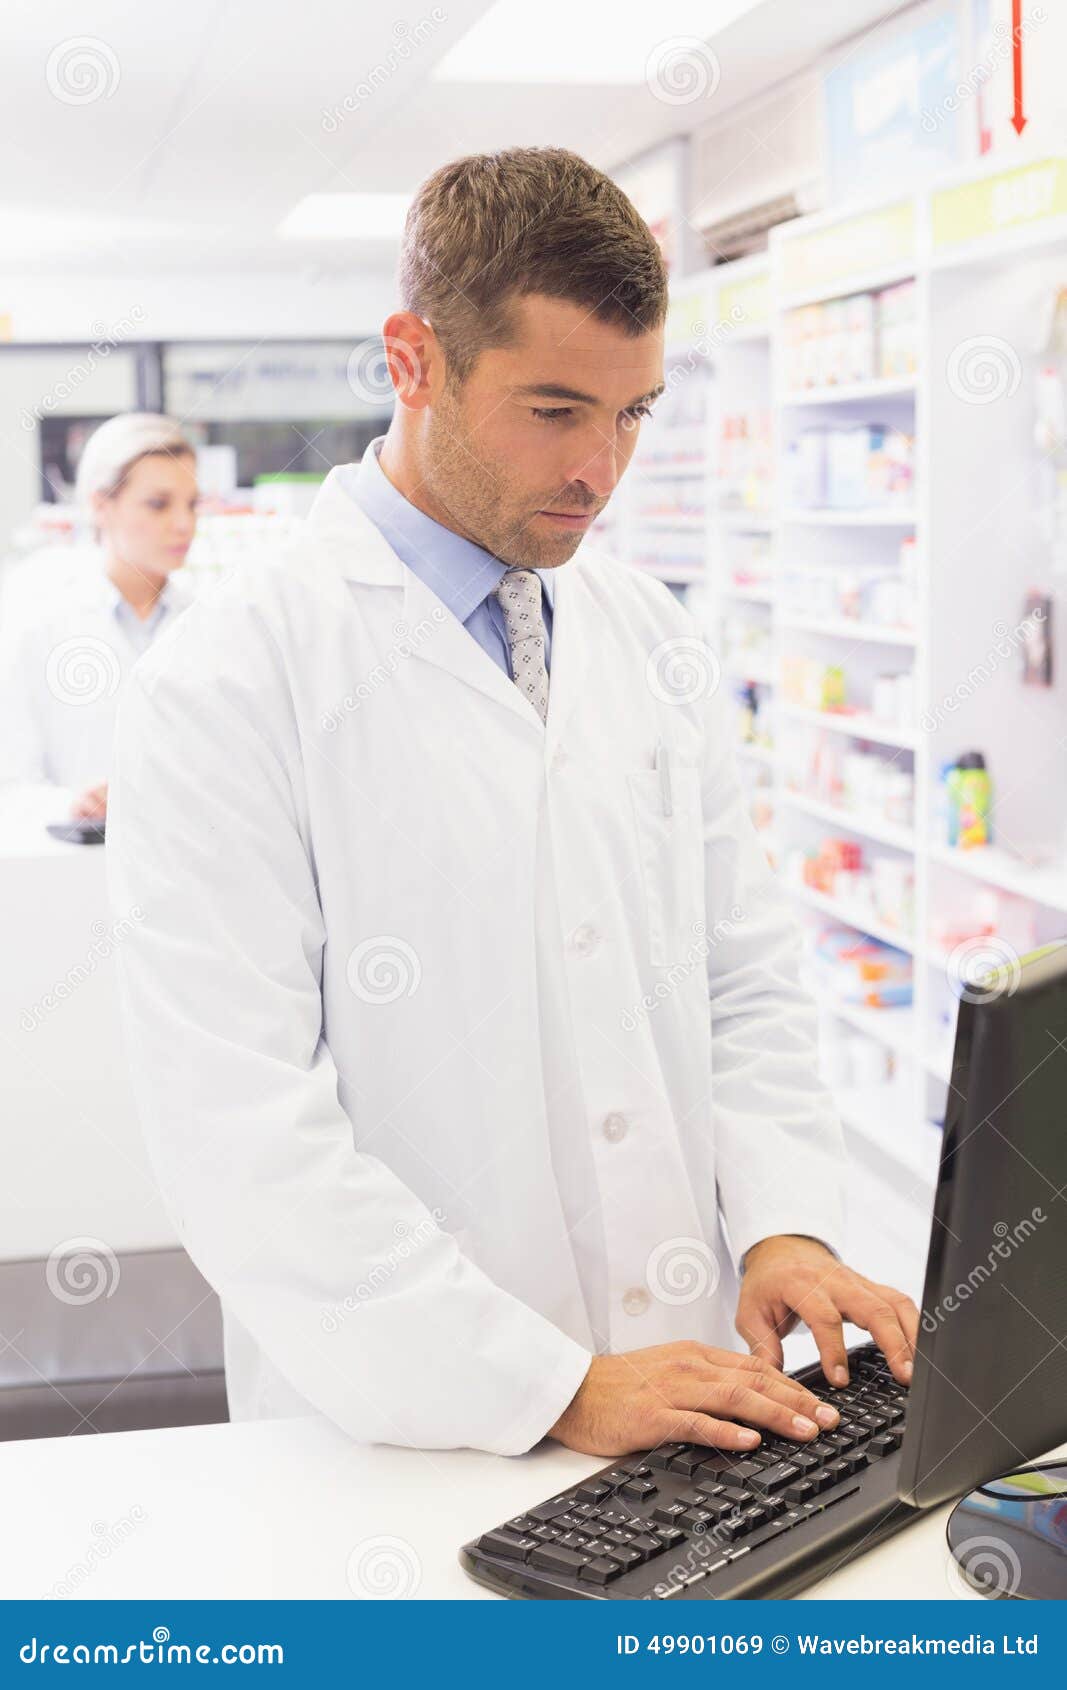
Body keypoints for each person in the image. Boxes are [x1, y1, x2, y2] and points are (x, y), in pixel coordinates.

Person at [108, 148, 918, 1460]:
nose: (600, 469)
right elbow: (238, 1127)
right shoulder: (231, 677)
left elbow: (743, 975)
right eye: (552, 410)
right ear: (412, 360)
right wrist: (547, 1385)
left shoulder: (641, 626)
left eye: (632, 413)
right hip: (399, 1430)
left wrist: (782, 1224)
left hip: (693, 1397)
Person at [0, 412, 197, 822]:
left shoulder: (208, 619)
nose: (184, 524)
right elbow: (11, 782)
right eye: (158, 504)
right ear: (100, 504)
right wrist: (71, 805)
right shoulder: (37, 617)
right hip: (73, 869)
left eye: (192, 504)